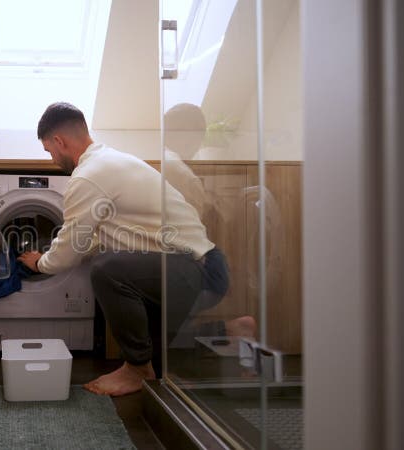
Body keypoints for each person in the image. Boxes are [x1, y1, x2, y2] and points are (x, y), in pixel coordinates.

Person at [17, 102, 239, 397]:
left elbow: (69, 249)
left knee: (106, 268)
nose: (52, 159)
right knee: (160, 356)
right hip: (203, 267)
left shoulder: (87, 176)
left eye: (49, 151)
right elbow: (99, 236)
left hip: (196, 271)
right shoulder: (111, 161)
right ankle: (231, 331)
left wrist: (39, 263)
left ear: (60, 141)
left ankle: (136, 369)